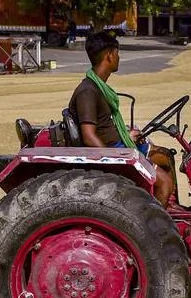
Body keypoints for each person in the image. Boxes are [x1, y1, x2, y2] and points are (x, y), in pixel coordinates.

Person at [68, 30, 176, 204]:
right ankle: (155, 219)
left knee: (165, 155)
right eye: (118, 53)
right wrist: (114, 160)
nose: (119, 58)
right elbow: (89, 136)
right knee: (165, 183)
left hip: (118, 145)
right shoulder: (88, 91)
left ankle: (171, 207)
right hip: (114, 151)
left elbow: (104, 126)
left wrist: (127, 135)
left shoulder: (99, 87)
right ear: (109, 56)